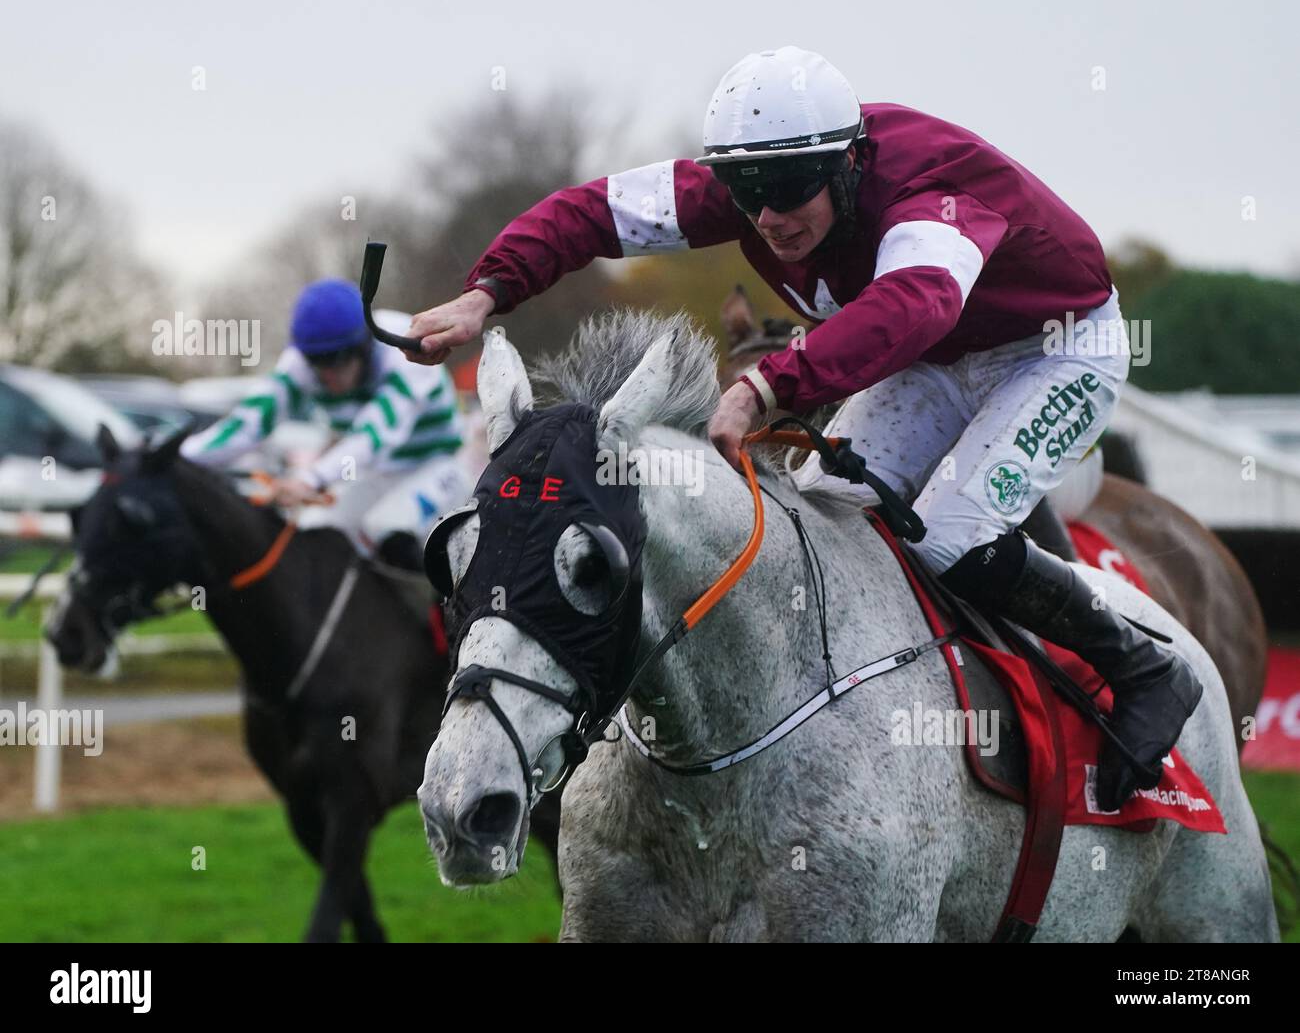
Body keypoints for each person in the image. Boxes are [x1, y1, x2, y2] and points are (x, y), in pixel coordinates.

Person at [396, 46, 1201, 811]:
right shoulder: (753, 189)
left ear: (849, 163)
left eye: (790, 188)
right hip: (934, 358)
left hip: (1052, 349)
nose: (769, 215)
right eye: (749, 192)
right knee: (822, 519)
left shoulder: (927, 183)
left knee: (948, 537)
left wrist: (764, 384)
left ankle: (1143, 669)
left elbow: (917, 302)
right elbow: (591, 214)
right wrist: (488, 291)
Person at [181, 278, 470, 568]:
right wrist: (174, 457)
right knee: (313, 533)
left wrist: (309, 479)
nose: (325, 374)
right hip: (374, 472)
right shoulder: (303, 362)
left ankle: (445, 609)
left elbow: (372, 436)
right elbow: (250, 422)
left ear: (364, 347)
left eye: (336, 360)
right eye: (314, 361)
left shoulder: (405, 349)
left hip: (438, 464)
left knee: (388, 531)